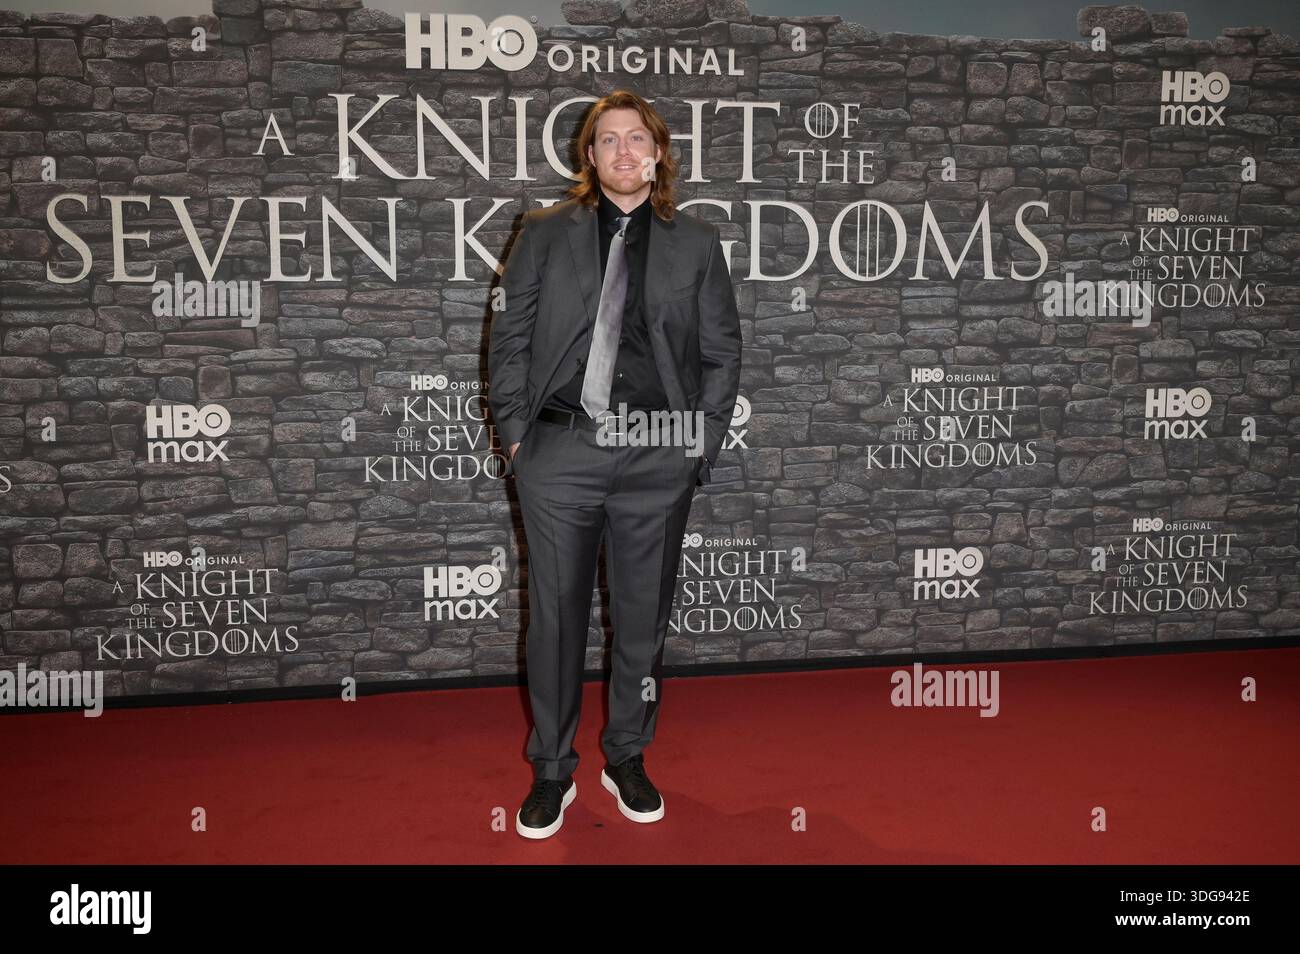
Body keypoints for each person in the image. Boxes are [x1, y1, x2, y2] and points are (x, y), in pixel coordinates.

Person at [488, 89, 742, 839]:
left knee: (641, 622)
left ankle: (627, 754)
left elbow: (722, 353)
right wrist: (517, 437)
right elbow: (509, 340)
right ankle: (552, 769)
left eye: (637, 139)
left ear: (658, 154)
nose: (623, 151)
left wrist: (698, 445)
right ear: (589, 155)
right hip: (561, 449)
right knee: (556, 620)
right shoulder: (542, 233)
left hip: (659, 451)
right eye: (608, 139)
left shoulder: (697, 242)